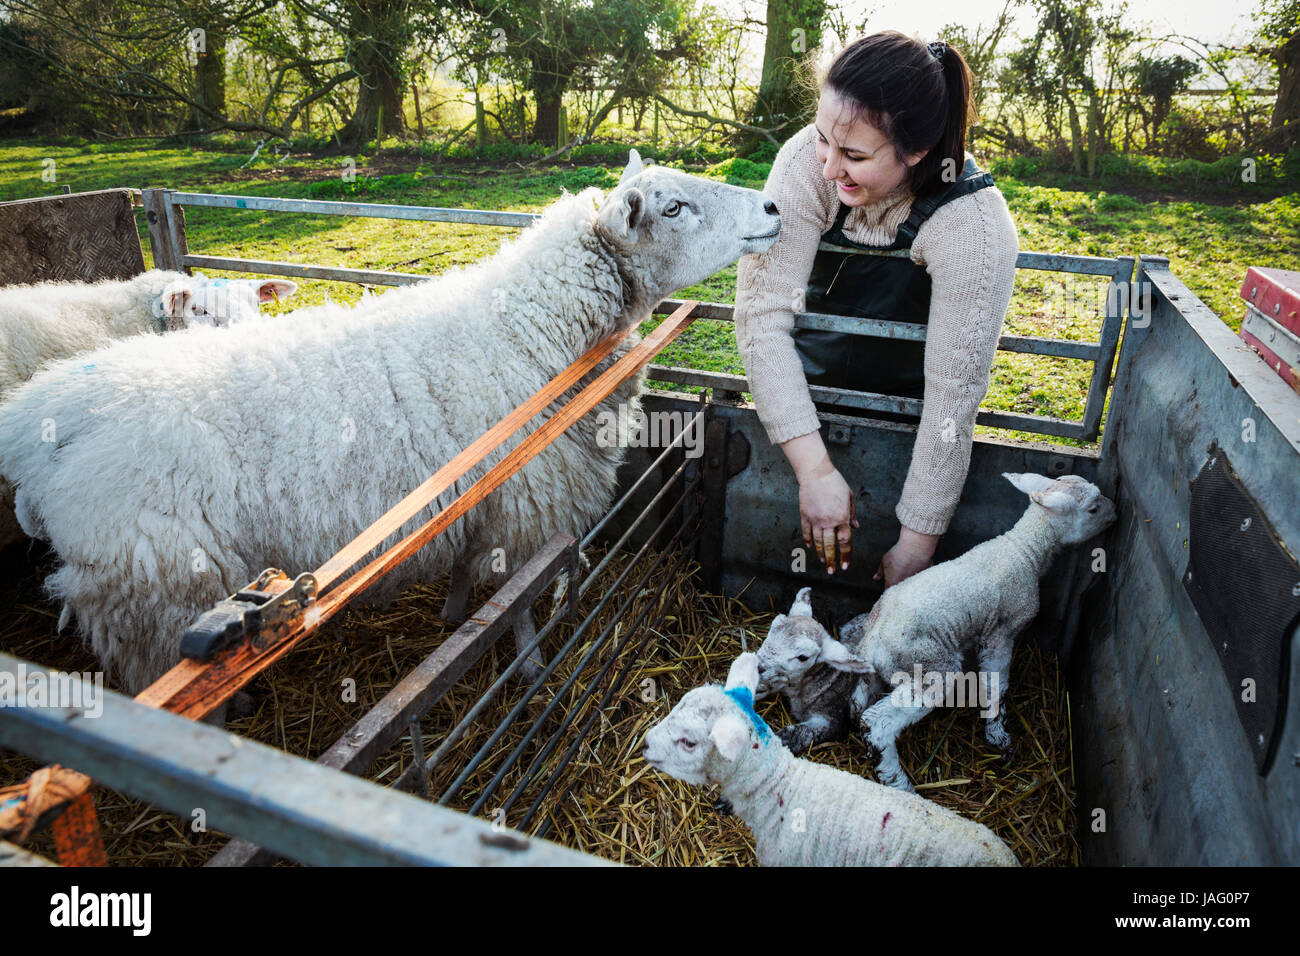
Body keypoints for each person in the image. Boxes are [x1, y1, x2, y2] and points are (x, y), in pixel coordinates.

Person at [733, 31, 1020, 587]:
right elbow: (761, 318)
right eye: (823, 141)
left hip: (910, 421)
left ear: (915, 152)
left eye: (854, 156)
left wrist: (917, 542)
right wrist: (813, 470)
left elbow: (952, 399)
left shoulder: (974, 228)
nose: (827, 169)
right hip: (798, 399)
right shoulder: (804, 163)